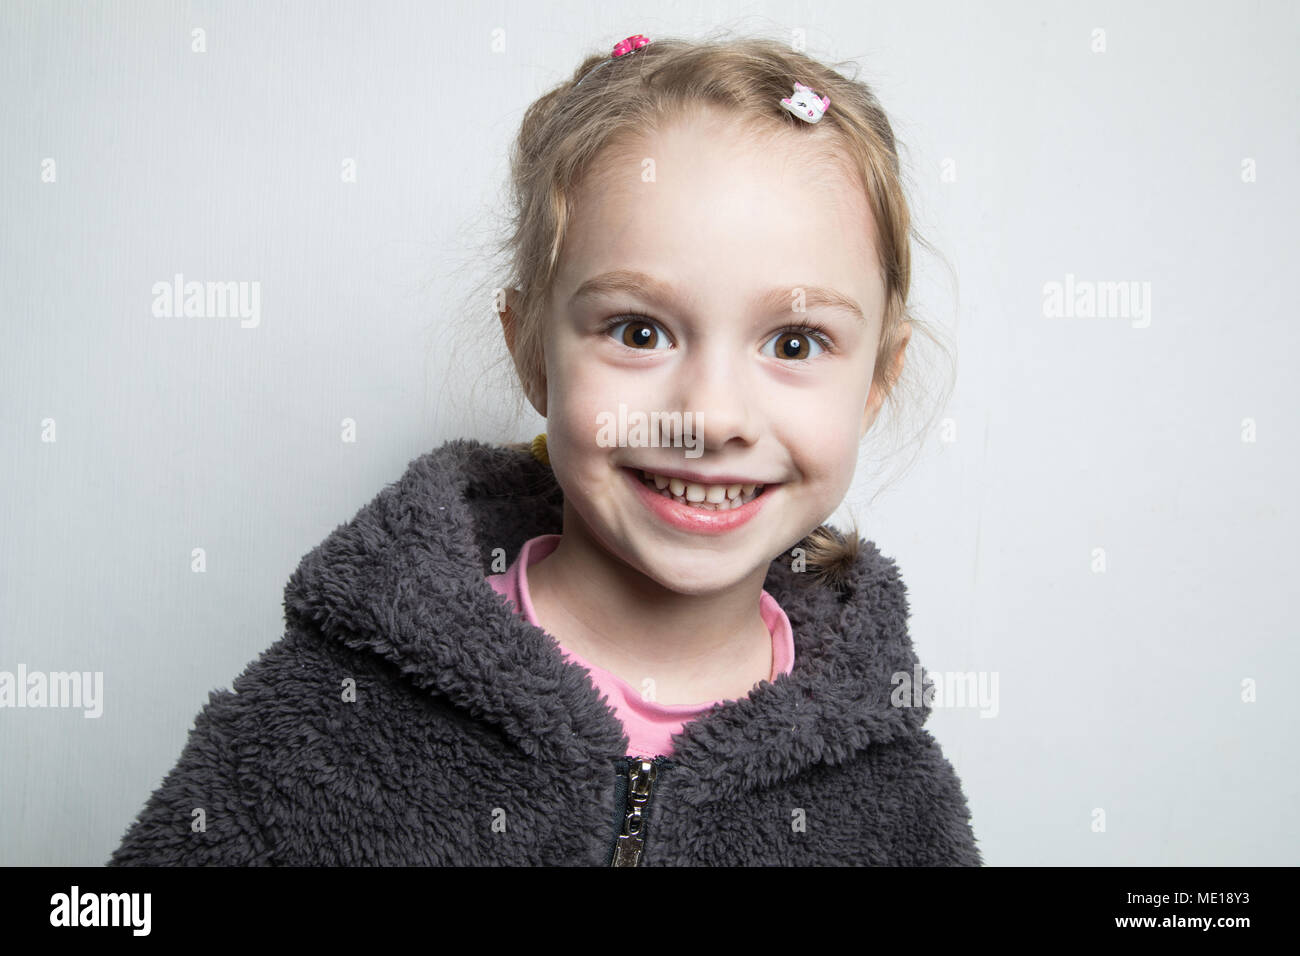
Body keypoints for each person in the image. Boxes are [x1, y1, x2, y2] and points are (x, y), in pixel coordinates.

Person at [107, 33, 980, 866]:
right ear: (531, 351)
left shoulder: (900, 803)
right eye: (638, 331)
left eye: (793, 343)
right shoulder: (325, 720)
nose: (711, 419)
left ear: (877, 380)